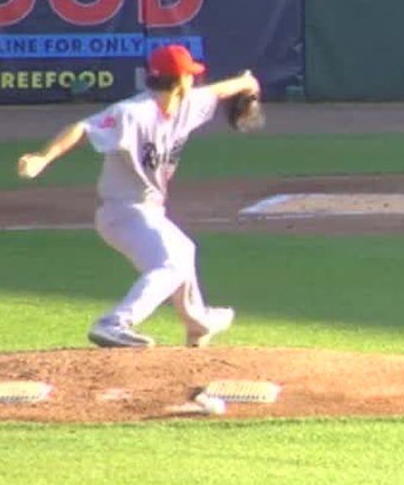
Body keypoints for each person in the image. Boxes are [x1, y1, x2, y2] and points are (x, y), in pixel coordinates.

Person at [15, 45, 262, 349]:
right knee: (171, 264)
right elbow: (81, 128)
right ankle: (114, 323)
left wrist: (248, 83)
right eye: (190, 75)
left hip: (146, 212)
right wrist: (43, 157)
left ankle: (198, 324)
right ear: (182, 79)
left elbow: (219, 90)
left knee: (184, 250)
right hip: (122, 212)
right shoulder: (132, 112)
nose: (194, 81)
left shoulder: (186, 105)